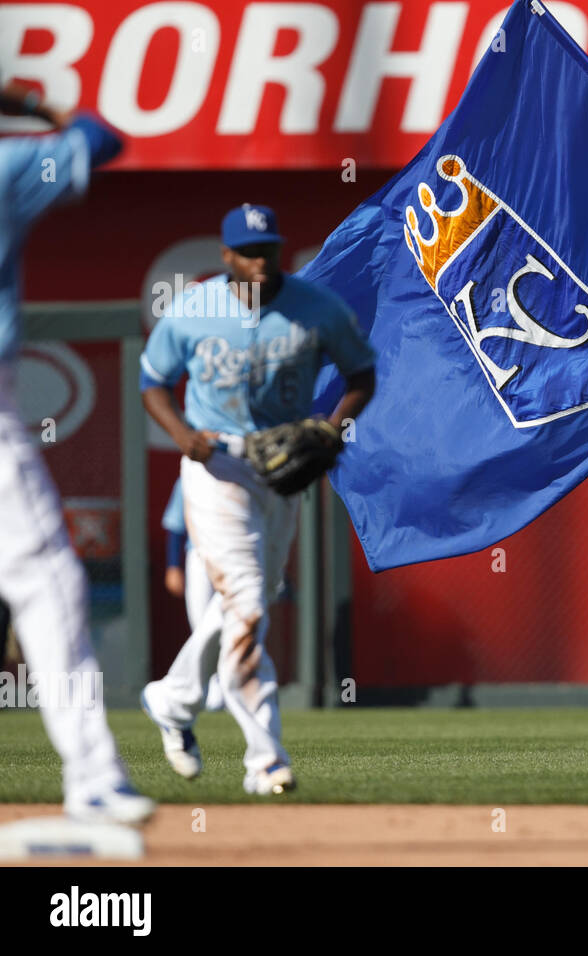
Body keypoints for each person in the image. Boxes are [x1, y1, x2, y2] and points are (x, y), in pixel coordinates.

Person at [139, 204, 376, 794]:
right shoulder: (193, 310)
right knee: (246, 605)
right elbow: (152, 383)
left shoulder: (314, 307)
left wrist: (331, 427)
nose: (260, 262)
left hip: (282, 467)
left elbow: (361, 374)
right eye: (248, 252)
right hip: (216, 466)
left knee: (248, 604)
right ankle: (265, 760)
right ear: (226, 257)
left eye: (267, 250)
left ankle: (171, 699)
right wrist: (181, 436)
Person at [0, 80, 154, 824]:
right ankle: (92, 777)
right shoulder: (8, 172)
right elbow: (101, 137)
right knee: (45, 578)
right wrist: (26, 105)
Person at [161, 475, 222, 711]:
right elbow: (176, 524)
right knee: (202, 624)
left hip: (235, 553)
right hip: (199, 555)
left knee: (233, 622)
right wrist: (173, 565)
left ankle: (223, 685)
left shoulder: (239, 467)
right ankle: (204, 685)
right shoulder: (190, 474)